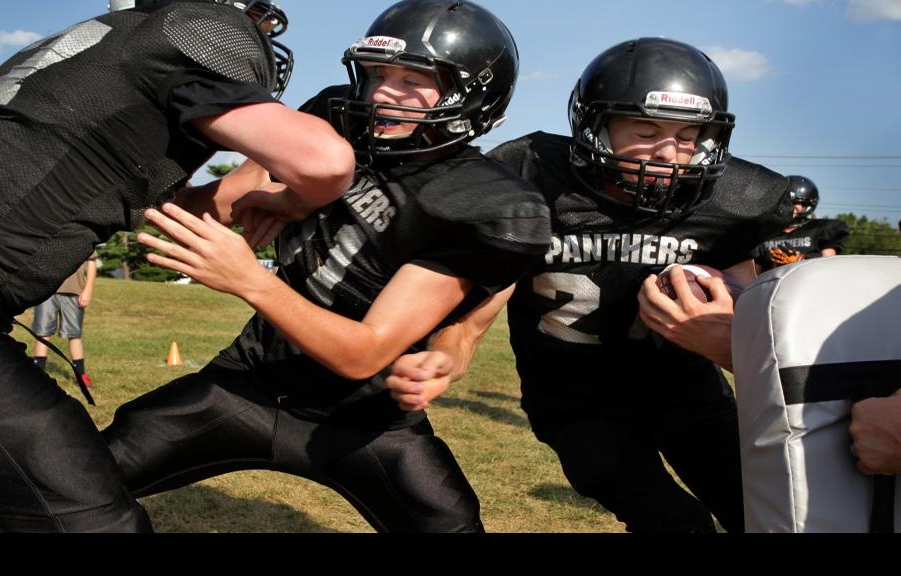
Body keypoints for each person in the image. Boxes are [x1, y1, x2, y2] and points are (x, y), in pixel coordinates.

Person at [0, 0, 355, 533]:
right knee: (101, 523)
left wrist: (251, 190)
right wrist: (292, 202)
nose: (261, 28)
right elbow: (324, 162)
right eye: (256, 15)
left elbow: (158, 204)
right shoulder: (197, 27)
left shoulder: (100, 44)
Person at [100, 0, 551, 532]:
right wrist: (118, 195)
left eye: (413, 79)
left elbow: (366, 354)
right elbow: (235, 194)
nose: (384, 92)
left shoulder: (487, 204)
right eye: (380, 73)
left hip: (368, 419)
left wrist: (248, 279)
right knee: (63, 483)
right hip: (247, 380)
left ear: (471, 94)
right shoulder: (338, 114)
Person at [390, 38, 794, 533]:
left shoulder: (740, 199)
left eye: (689, 135)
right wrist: (452, 348)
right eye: (646, 130)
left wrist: (730, 317)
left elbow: (777, 303)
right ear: (594, 125)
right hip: (576, 401)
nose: (669, 152)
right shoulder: (529, 171)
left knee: (763, 510)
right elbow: (485, 291)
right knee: (673, 521)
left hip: (686, 391)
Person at [752, 175, 850, 270]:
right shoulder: (764, 233)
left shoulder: (819, 230)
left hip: (808, 284)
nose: (791, 207)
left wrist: (800, 263)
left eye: (797, 202)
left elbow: (829, 268)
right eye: (787, 202)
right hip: (772, 285)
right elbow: (754, 275)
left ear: (807, 205)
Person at [31, 252, 99, 387]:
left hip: (74, 292)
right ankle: (37, 374)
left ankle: (81, 375)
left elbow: (91, 262)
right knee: (43, 333)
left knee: (74, 334)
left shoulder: (84, 232)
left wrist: (88, 289)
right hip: (47, 290)